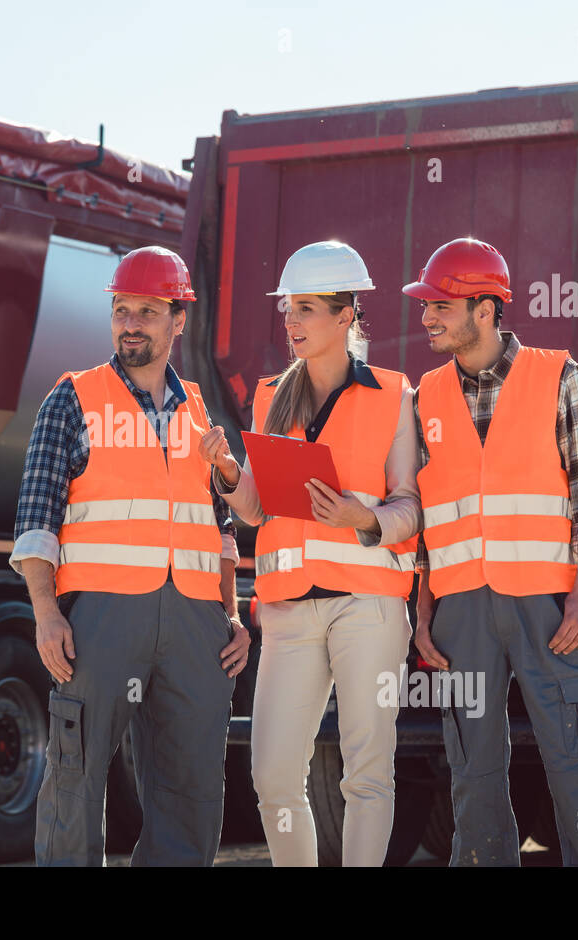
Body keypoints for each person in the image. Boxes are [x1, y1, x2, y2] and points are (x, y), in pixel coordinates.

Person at [10, 245, 251, 867]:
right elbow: (36, 521)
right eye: (122, 309)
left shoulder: (198, 411)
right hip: (100, 619)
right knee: (77, 773)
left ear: (179, 320)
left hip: (197, 624)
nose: (131, 322)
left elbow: (220, 526)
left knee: (192, 786)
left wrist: (232, 614)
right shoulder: (72, 399)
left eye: (147, 310)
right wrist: (46, 614)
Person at [404, 237, 578, 866]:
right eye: (426, 304)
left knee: (576, 762)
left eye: (441, 305)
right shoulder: (423, 396)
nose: (427, 315)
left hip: (549, 608)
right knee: (471, 773)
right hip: (458, 616)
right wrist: (422, 612)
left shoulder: (557, 376)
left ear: (485, 309)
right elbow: (424, 519)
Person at [203, 240, 421, 866]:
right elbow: (254, 508)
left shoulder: (392, 396)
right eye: (286, 309)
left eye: (305, 308)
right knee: (273, 777)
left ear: (346, 315)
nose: (291, 322)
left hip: (368, 608)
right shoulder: (272, 394)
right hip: (289, 613)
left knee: (366, 775)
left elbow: (410, 509)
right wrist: (224, 469)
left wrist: (363, 517)